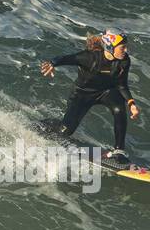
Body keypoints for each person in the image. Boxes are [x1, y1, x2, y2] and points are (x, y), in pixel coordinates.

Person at [41, 30, 140, 165]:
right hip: (83, 94)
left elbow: (122, 85)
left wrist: (131, 103)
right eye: (123, 47)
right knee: (65, 130)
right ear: (110, 47)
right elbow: (67, 58)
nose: (126, 50)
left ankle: (119, 151)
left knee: (119, 109)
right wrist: (52, 63)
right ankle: (44, 125)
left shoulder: (124, 61)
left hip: (106, 92)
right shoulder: (89, 58)